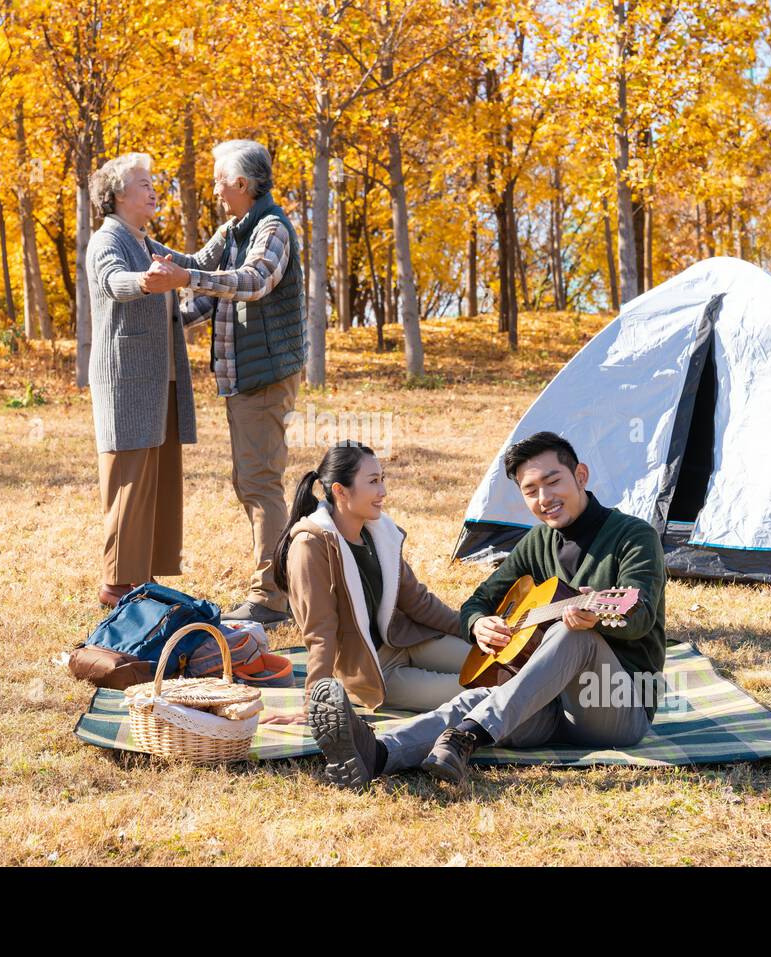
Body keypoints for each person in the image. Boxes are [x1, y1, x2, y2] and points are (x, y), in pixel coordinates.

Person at [305, 431, 667, 788]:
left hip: (613, 705)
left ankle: (467, 736)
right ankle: (379, 754)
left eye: (552, 482)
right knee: (480, 697)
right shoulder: (537, 542)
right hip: (548, 704)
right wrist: (479, 624)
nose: (544, 498)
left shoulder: (634, 536)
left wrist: (598, 617)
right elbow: (477, 602)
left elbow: (641, 616)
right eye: (530, 491)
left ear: (581, 476)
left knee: (574, 633)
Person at [140, 139, 305, 629]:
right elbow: (201, 269)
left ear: (241, 184)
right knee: (250, 482)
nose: (214, 189)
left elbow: (252, 281)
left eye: (218, 181)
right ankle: (275, 589)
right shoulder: (234, 228)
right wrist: (142, 243)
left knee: (260, 483)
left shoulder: (271, 229)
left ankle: (272, 598)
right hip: (243, 377)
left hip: (266, 375)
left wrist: (183, 279)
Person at [275, 443, 475, 713]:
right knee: (482, 691)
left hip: (407, 640)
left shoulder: (378, 533)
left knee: (501, 664)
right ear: (340, 490)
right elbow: (320, 632)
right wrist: (316, 702)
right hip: (374, 671)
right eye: (373, 482)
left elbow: (417, 602)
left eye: (382, 479)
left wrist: (472, 628)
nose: (383, 491)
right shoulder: (310, 547)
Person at [84, 153, 199, 609]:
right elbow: (115, 282)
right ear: (116, 196)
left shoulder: (147, 241)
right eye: (143, 183)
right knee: (128, 484)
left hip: (160, 382)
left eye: (153, 183)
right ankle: (117, 586)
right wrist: (149, 280)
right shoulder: (106, 240)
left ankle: (144, 581)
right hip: (127, 383)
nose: (153, 190)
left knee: (158, 482)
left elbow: (174, 302)